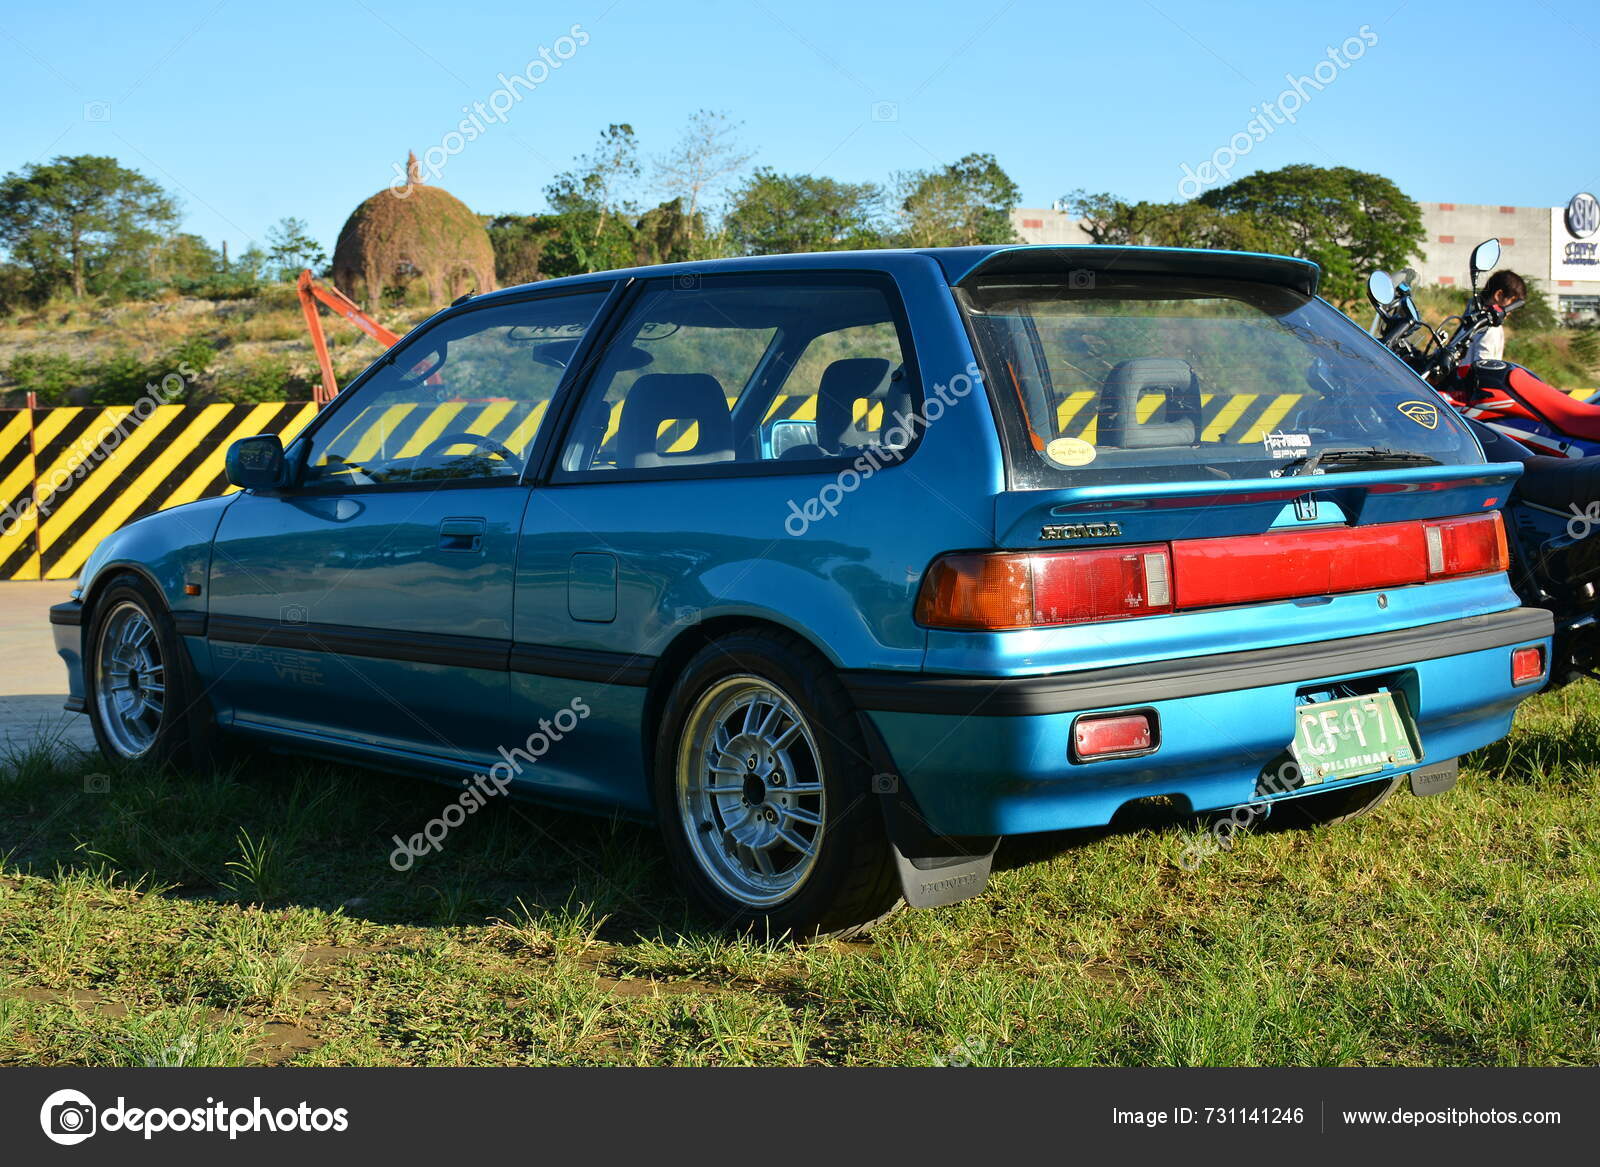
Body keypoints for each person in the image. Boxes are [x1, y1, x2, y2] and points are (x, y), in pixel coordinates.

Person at [1466, 270, 1527, 365]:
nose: (1510, 311)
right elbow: (1483, 371)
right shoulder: (1492, 329)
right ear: (1499, 295)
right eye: (1512, 303)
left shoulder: (1470, 319)